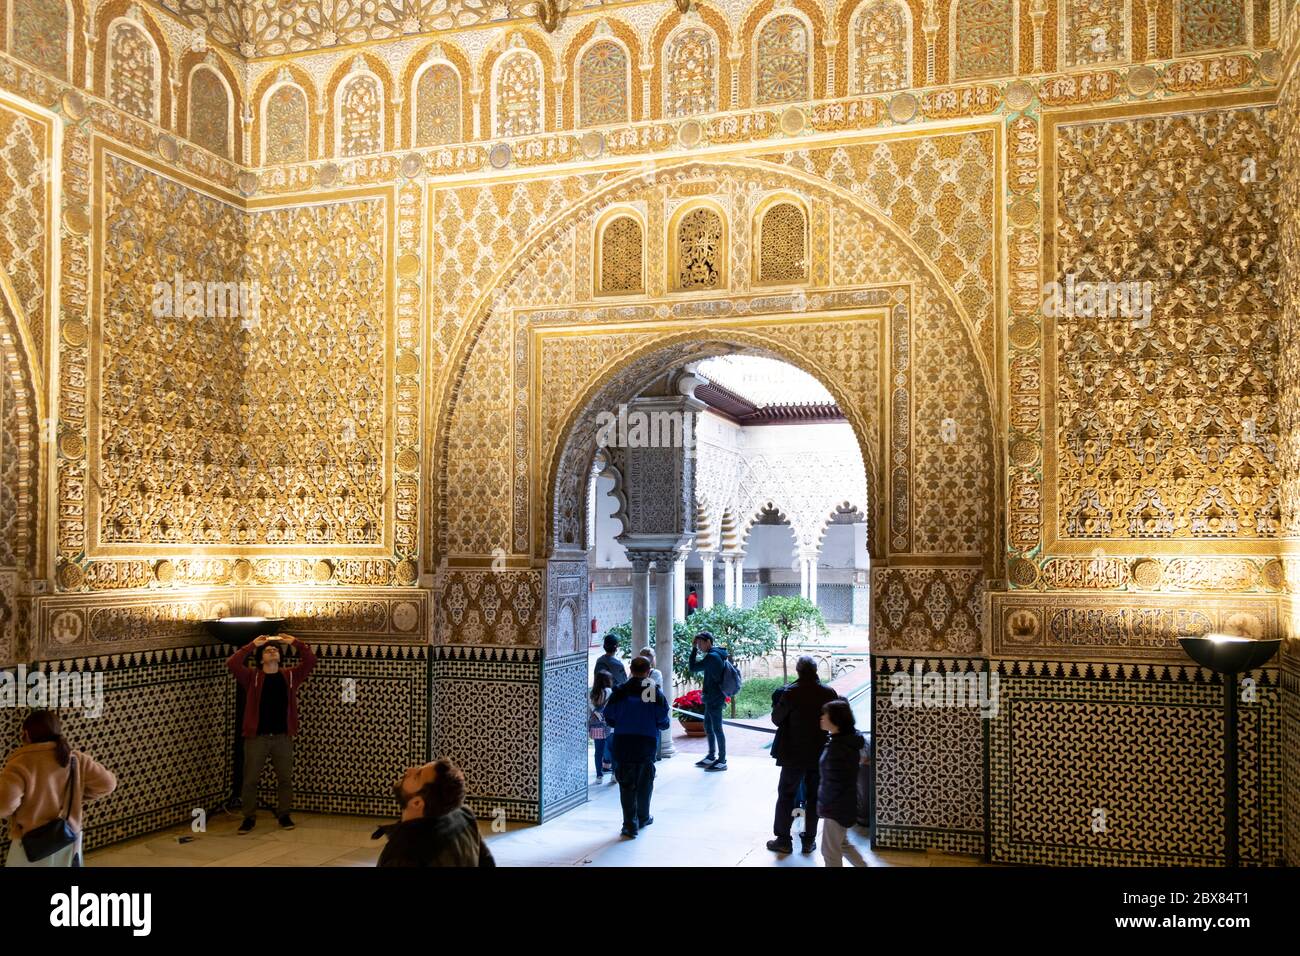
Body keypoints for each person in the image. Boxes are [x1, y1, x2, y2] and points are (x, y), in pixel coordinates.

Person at [0, 710, 117, 867]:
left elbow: (5, 805)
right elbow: (108, 784)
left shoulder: (19, 764)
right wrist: (77, 794)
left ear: (25, 734)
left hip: (30, 844)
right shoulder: (76, 759)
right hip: (67, 838)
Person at [226, 632, 317, 833]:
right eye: (268, 650)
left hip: (282, 738)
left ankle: (284, 815)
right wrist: (251, 645)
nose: (272, 651)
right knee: (250, 780)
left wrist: (294, 642)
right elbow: (232, 663)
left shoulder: (290, 676)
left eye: (275, 649)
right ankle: (248, 818)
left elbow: (311, 660)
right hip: (257, 738)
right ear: (261, 659)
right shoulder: (252, 677)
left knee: (285, 778)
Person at [766, 656, 837, 855]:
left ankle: (783, 840)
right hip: (818, 752)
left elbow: (776, 719)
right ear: (815, 671)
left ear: (798, 671)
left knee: (787, 795)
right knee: (814, 797)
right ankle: (808, 841)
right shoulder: (828, 692)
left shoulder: (790, 693)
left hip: (792, 753)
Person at [376, 759, 495, 867]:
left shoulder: (402, 856)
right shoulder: (464, 816)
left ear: (417, 803)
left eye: (417, 776)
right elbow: (487, 863)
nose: (409, 770)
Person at [602, 656, 669, 838]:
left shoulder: (620, 691)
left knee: (626, 783)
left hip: (624, 741)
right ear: (649, 672)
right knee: (645, 781)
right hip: (646, 742)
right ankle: (643, 816)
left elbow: (609, 717)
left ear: (630, 670)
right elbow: (663, 720)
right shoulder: (653, 691)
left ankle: (629, 824)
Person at [817, 699, 868, 867]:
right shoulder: (845, 741)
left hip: (836, 807)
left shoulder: (838, 748)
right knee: (842, 844)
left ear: (835, 720)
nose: (821, 717)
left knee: (830, 852)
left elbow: (835, 783)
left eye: (825, 715)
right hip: (843, 804)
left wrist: (824, 805)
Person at [688, 631, 729, 771]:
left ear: (708, 642)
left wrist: (693, 650)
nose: (698, 646)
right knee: (709, 727)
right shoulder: (716, 653)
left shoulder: (712, 656)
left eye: (700, 643)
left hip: (715, 698)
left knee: (717, 729)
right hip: (712, 696)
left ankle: (722, 760)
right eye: (697, 644)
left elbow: (692, 667)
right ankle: (711, 756)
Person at [589, 671, 613, 781]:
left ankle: (599, 775)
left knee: (598, 751)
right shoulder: (609, 691)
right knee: (612, 749)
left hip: (596, 726)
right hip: (608, 725)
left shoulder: (593, 693)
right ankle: (614, 774)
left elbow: (590, 709)